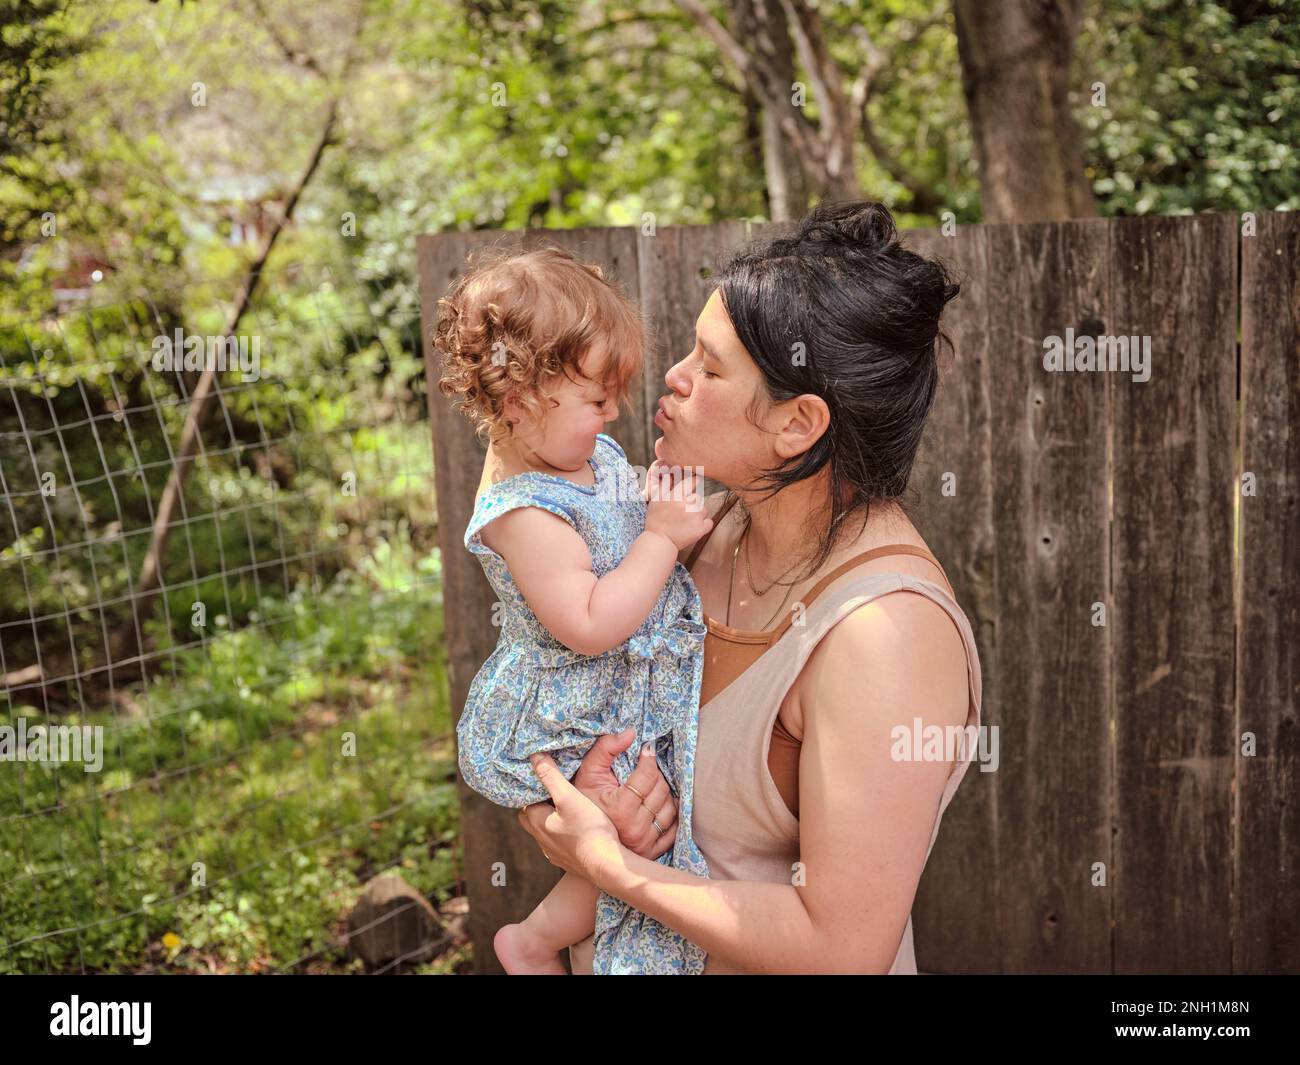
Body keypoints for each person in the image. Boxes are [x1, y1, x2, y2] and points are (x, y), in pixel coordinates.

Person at [519, 200, 985, 974]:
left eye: (709, 367)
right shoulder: (697, 534)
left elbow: (843, 948)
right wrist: (585, 799)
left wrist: (607, 865)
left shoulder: (886, 633)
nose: (674, 376)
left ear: (798, 424)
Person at [436, 246, 717, 974]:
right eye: (597, 399)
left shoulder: (581, 454)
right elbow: (590, 622)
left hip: (615, 690)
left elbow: (623, 533)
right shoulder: (525, 512)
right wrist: (661, 538)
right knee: (620, 839)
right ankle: (533, 941)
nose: (614, 412)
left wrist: (664, 511)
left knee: (641, 834)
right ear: (518, 402)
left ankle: (592, 946)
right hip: (569, 707)